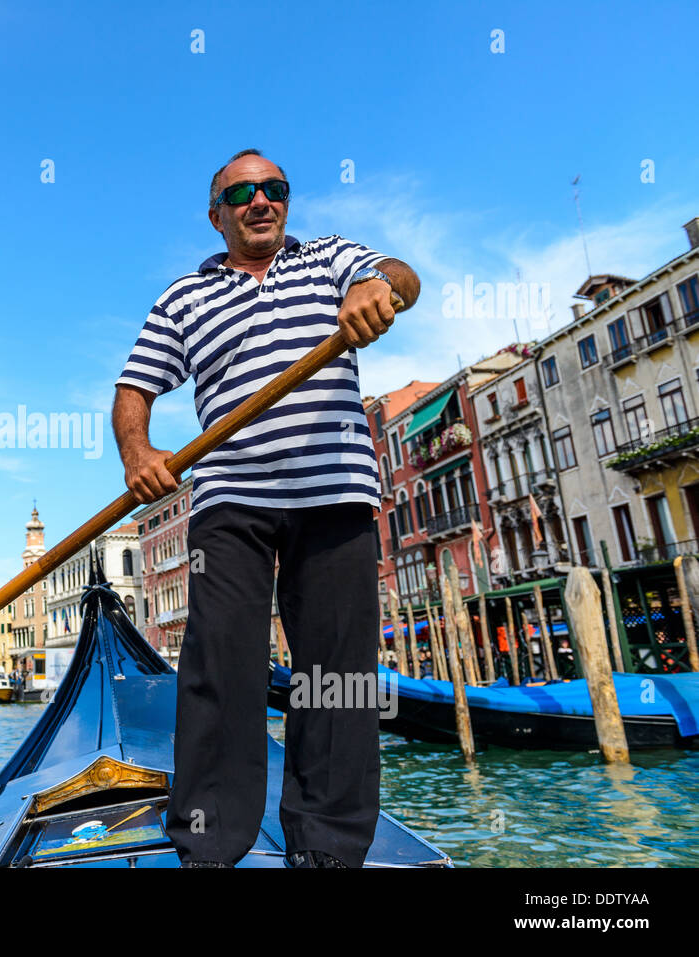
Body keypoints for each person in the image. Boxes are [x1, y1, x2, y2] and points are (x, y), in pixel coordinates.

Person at [113, 149, 420, 869]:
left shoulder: (330, 260)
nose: (261, 201)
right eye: (242, 192)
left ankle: (327, 848)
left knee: (336, 676)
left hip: (335, 490)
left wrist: (376, 288)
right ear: (217, 214)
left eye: (274, 189)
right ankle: (210, 845)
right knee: (221, 666)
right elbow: (134, 390)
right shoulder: (183, 298)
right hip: (230, 500)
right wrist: (139, 456)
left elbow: (402, 277)